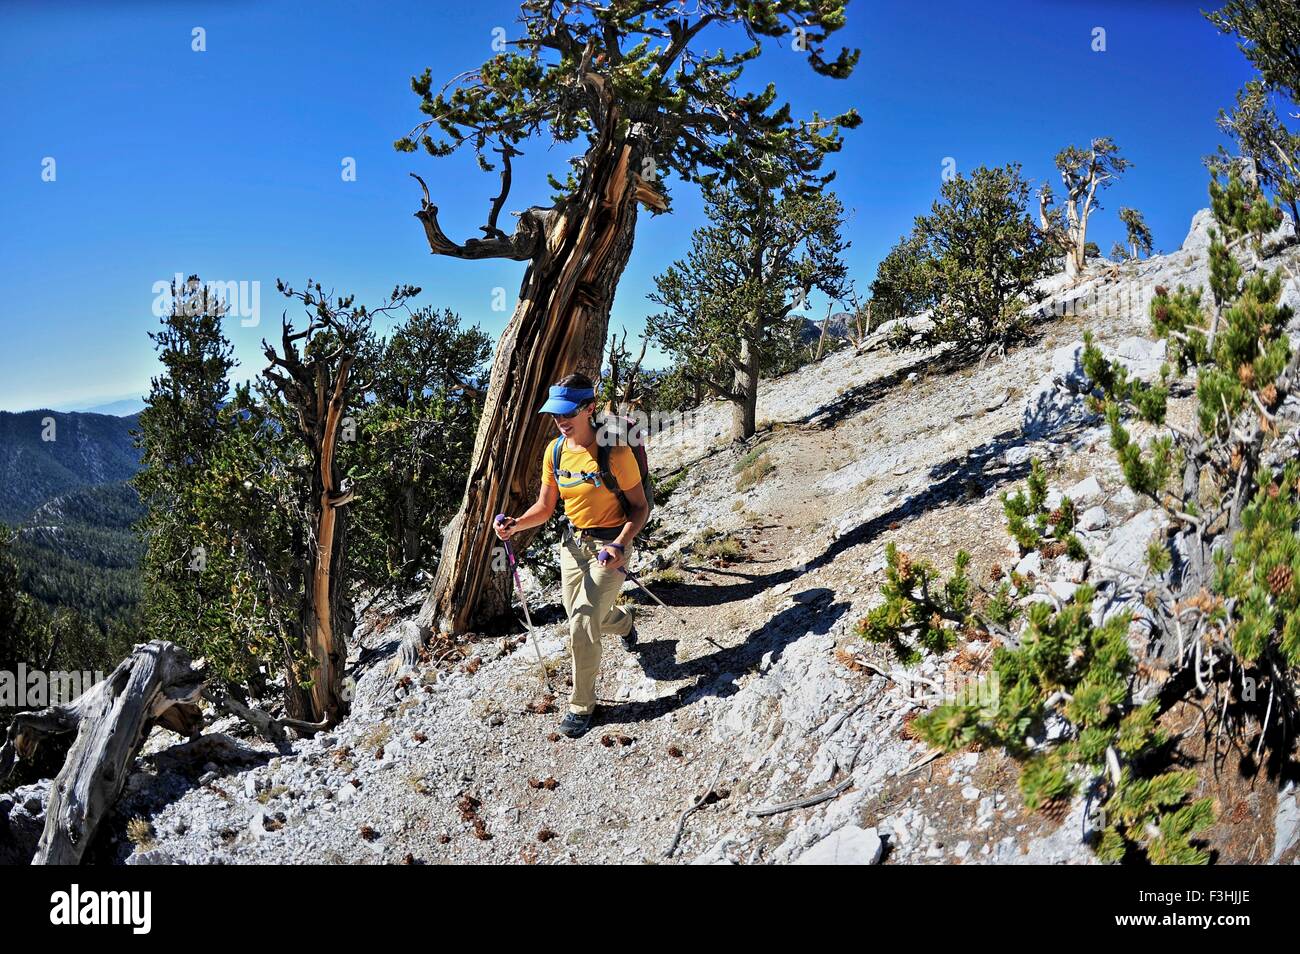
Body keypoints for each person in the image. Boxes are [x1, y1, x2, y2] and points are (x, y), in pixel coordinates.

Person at [494, 372, 649, 738]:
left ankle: (582, 705)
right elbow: (546, 507)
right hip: (573, 546)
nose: (560, 421)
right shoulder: (556, 451)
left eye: (567, 413)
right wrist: (515, 525)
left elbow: (640, 508)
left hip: (611, 546)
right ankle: (624, 622)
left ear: (589, 408)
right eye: (555, 414)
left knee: (581, 621)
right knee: (579, 613)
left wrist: (620, 545)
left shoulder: (616, 452)